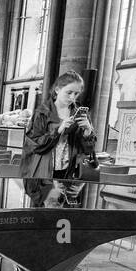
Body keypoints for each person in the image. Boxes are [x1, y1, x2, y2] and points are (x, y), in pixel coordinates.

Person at [20, 72, 98, 208]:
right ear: (57, 90)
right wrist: (58, 130)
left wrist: (87, 131)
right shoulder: (43, 112)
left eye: (76, 93)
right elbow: (34, 145)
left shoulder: (79, 113)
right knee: (44, 217)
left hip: (68, 174)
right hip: (44, 174)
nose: (73, 97)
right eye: (69, 92)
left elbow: (88, 151)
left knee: (65, 218)